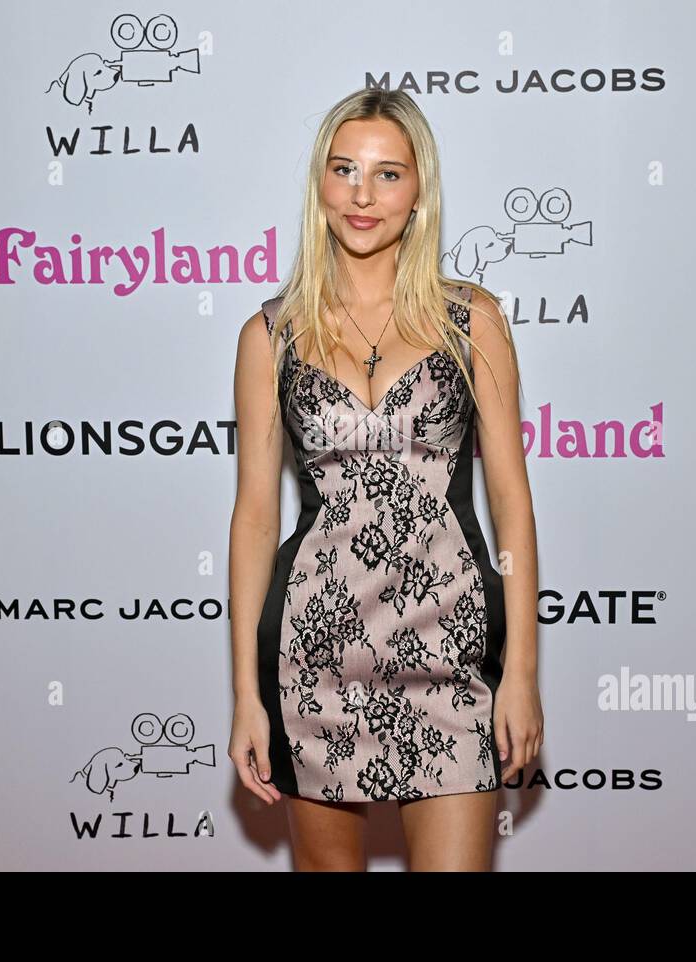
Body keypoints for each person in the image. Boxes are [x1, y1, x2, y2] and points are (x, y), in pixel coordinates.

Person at [227, 88, 542, 872]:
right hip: (314, 653)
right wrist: (245, 696)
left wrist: (523, 675)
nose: (363, 196)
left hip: (452, 646)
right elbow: (256, 521)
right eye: (345, 170)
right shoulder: (270, 336)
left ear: (419, 192)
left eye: (388, 174)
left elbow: (512, 505)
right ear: (320, 184)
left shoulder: (472, 321)